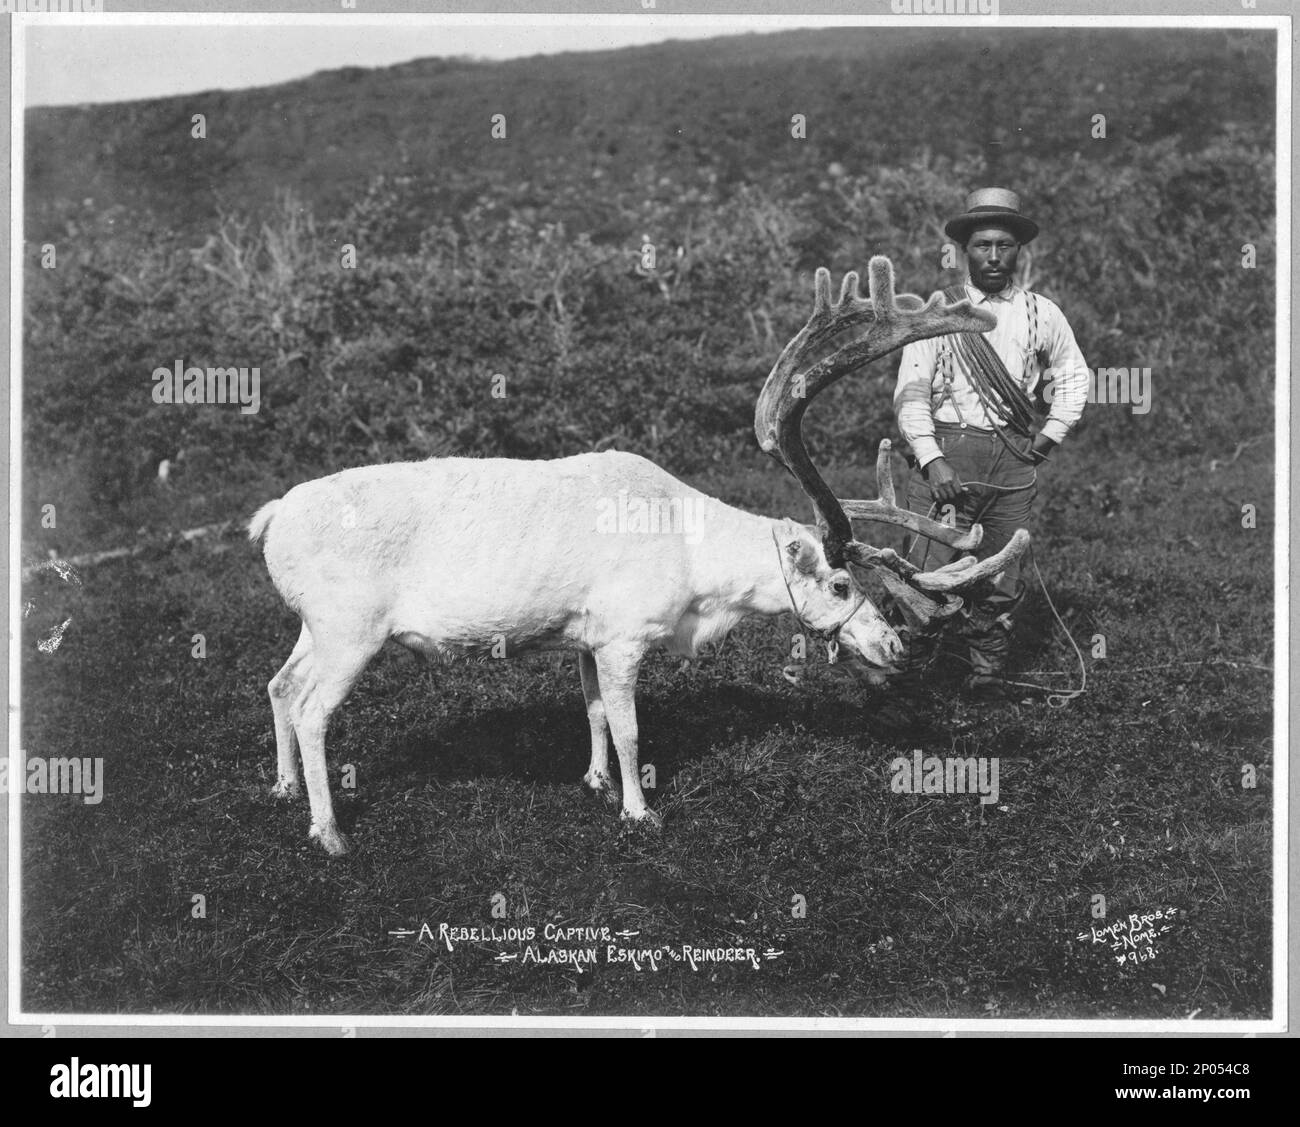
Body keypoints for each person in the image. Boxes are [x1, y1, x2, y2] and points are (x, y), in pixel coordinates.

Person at [890, 187, 1090, 699]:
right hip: (948, 454)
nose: (994, 257)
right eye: (982, 246)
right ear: (964, 250)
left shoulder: (1041, 313)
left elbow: (1073, 377)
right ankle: (907, 681)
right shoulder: (939, 315)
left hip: (1014, 460)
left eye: (1004, 245)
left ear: (1019, 250)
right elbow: (911, 394)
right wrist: (932, 460)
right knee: (924, 572)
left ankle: (986, 677)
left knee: (1003, 573)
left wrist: (1046, 440)